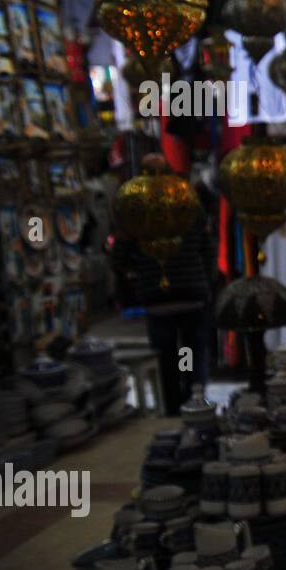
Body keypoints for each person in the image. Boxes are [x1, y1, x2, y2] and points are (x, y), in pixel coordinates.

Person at [111, 154, 217, 416]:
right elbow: (207, 248)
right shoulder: (188, 202)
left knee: (168, 359)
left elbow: (119, 258)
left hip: (157, 296)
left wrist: (135, 273)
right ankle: (196, 403)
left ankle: (174, 410)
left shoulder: (134, 209)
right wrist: (206, 280)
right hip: (192, 293)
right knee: (192, 355)